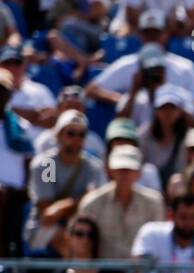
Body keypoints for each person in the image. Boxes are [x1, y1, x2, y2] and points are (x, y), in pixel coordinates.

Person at [85, 27, 194, 124]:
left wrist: (171, 104)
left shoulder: (179, 97)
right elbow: (120, 122)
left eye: (158, 70)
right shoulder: (137, 100)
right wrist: (133, 92)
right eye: (150, 70)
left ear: (165, 71)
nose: (155, 75)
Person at [25, 108, 106, 255]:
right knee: (70, 239)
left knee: (85, 235)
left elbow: (98, 204)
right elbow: (48, 212)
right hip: (43, 227)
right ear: (58, 135)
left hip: (80, 224)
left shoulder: (93, 166)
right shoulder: (47, 164)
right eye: (70, 133)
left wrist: (64, 207)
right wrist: (82, 199)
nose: (76, 139)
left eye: (81, 134)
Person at [76, 144, 164, 260]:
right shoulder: (91, 203)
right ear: (110, 171)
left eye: (129, 169)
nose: (124, 174)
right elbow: (82, 246)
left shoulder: (154, 202)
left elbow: (157, 244)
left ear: (139, 173)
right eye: (120, 169)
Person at [0, 71, 33, 258]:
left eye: (3, 91)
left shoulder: (21, 126)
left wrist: (29, 189)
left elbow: (33, 160)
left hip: (16, 195)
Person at [33, 86, 106, 157]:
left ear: (84, 110)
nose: (72, 111)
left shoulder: (95, 142)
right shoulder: (45, 141)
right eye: (68, 107)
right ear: (59, 109)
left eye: (76, 107)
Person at [0, 41, 55, 128]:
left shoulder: (40, 90)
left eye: (17, 63)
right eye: (7, 63)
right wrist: (33, 114)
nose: (12, 68)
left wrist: (8, 111)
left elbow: (52, 120)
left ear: (23, 65)